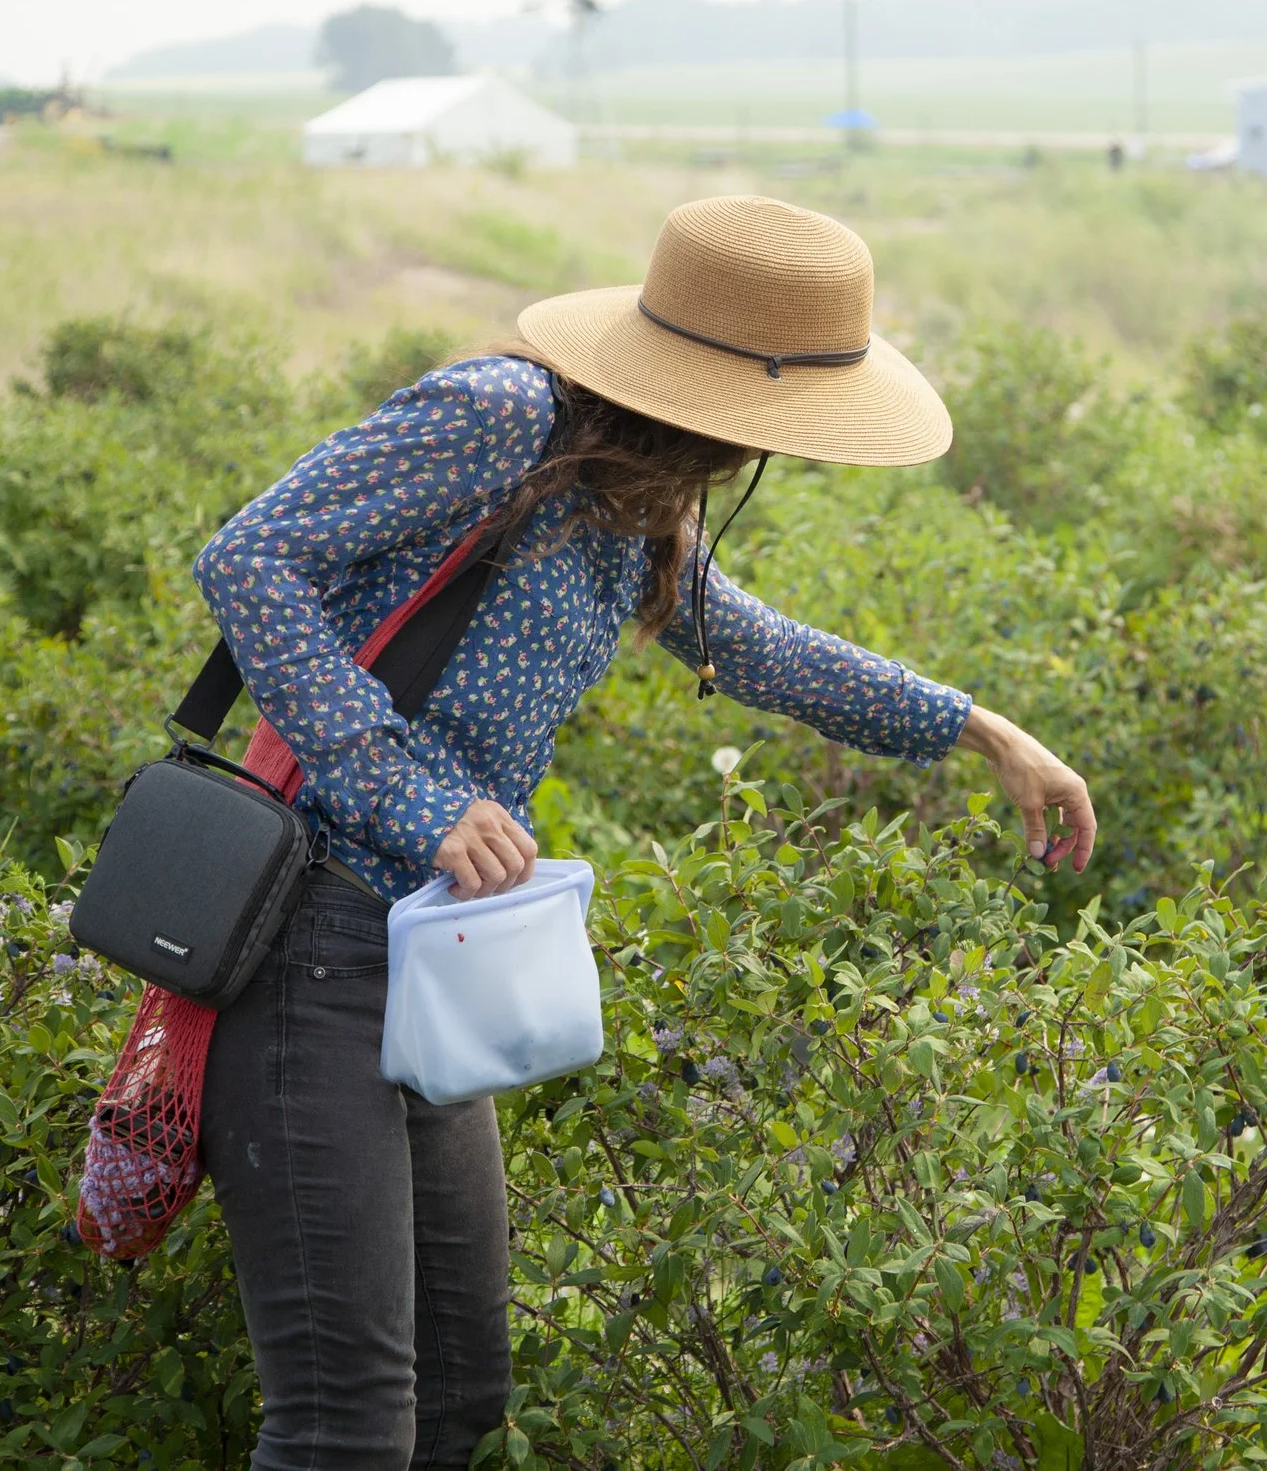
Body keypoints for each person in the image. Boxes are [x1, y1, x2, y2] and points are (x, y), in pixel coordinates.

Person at [190, 194, 1097, 1469]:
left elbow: (748, 641)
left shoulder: (641, 486)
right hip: (313, 942)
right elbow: (250, 558)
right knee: (345, 1425)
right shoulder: (504, 419)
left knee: (460, 1400)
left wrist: (984, 729)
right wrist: (414, 790)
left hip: (435, 958)